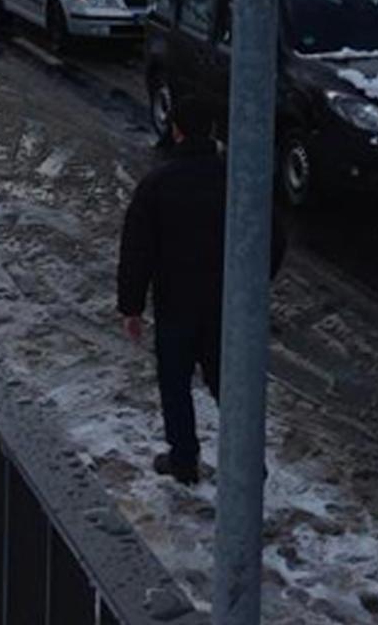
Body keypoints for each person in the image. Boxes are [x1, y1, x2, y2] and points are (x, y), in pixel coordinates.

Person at [117, 99, 284, 485]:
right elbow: (275, 236)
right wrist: (256, 284)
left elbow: (137, 249)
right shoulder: (237, 179)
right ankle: (247, 463)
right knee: (230, 385)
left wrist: (131, 306)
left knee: (175, 385)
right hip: (228, 305)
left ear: (175, 131)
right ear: (212, 134)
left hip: (175, 304)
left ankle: (184, 460)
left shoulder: (157, 184)